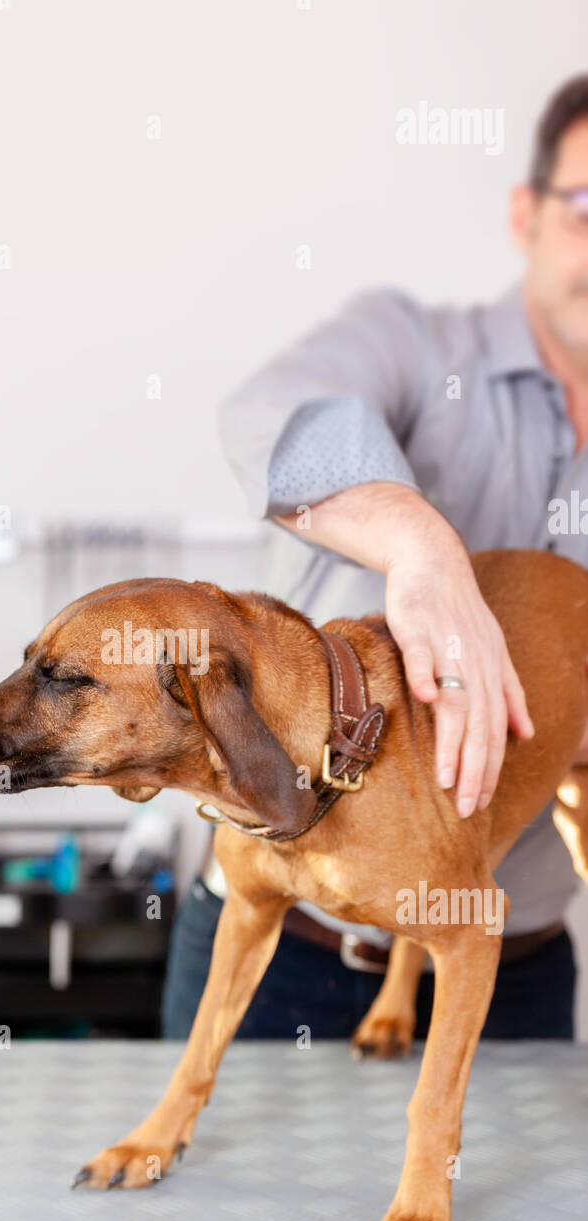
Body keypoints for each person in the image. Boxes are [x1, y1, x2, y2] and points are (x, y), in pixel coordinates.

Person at [163, 74, 588, 1043]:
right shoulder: (410, 341)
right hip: (283, 955)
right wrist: (416, 540)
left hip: (506, 967)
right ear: (524, 213)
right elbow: (272, 410)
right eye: (584, 206)